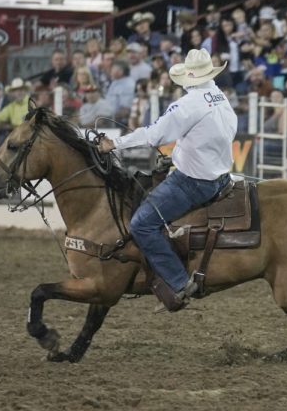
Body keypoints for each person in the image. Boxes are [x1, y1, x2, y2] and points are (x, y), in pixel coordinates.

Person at [100, 49, 236, 312]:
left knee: (141, 224)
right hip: (220, 176)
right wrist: (178, 156)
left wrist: (114, 144)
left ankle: (179, 282)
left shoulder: (187, 105)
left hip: (194, 182)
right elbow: (214, 136)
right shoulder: (220, 97)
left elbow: (153, 136)